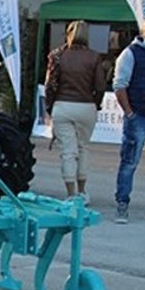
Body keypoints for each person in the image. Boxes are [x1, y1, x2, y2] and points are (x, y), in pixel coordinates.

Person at [43, 20, 107, 205]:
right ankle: (83, 191)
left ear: (68, 34)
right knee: (83, 148)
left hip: (63, 105)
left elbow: (50, 85)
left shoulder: (56, 55)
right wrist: (95, 103)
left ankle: (71, 194)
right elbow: (100, 86)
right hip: (86, 106)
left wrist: (50, 106)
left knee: (68, 152)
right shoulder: (94, 57)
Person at [112, 15, 145, 224]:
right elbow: (119, 85)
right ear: (142, 31)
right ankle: (122, 204)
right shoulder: (130, 54)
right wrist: (130, 113)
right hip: (138, 117)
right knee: (129, 162)